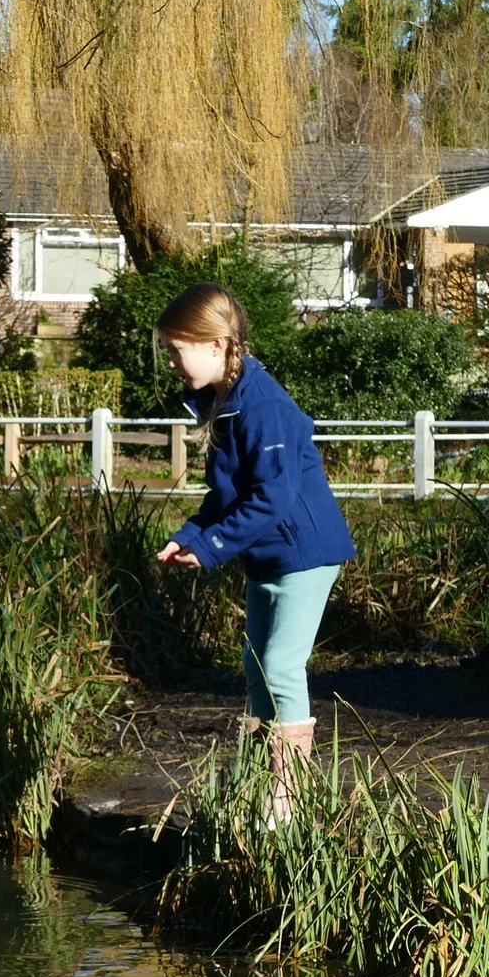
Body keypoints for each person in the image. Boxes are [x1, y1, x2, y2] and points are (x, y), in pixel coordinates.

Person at [153, 284, 355, 807]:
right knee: (256, 667)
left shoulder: (262, 405)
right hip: (267, 554)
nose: (171, 362)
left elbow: (273, 497)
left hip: (303, 554)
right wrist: (190, 536)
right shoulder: (226, 400)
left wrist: (214, 544)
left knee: (283, 665)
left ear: (218, 344)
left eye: (178, 349)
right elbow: (227, 495)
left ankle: (287, 803)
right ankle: (259, 788)